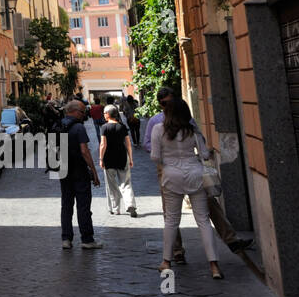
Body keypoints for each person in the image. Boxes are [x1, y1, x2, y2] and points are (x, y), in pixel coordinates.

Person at [144, 86, 253, 260]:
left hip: (187, 167)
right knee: (171, 212)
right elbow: (148, 144)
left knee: (209, 204)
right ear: (160, 104)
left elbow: (199, 140)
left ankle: (231, 239)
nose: (167, 105)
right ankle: (178, 251)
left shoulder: (188, 121)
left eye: (170, 102)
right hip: (169, 167)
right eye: (164, 103)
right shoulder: (155, 122)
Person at [150, 95, 222, 279]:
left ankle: (166, 261)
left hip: (171, 176)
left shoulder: (159, 129)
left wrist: (170, 162)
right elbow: (205, 154)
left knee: (171, 220)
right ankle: (214, 266)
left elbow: (155, 157)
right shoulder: (192, 130)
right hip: (195, 174)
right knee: (204, 221)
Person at [56, 100, 103, 250]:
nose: (85, 115)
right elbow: (84, 151)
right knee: (83, 206)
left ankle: (66, 239)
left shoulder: (56, 125)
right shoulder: (78, 127)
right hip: (79, 171)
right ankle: (87, 239)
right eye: (83, 112)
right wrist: (94, 172)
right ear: (75, 111)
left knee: (66, 205)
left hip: (63, 170)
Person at [99, 104, 136, 217]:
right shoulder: (122, 127)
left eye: (104, 113)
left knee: (111, 185)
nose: (104, 115)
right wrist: (130, 158)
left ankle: (116, 209)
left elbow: (103, 145)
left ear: (108, 114)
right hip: (122, 156)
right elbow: (128, 144)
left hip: (109, 158)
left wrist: (101, 159)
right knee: (126, 182)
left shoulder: (104, 127)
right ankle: (130, 204)